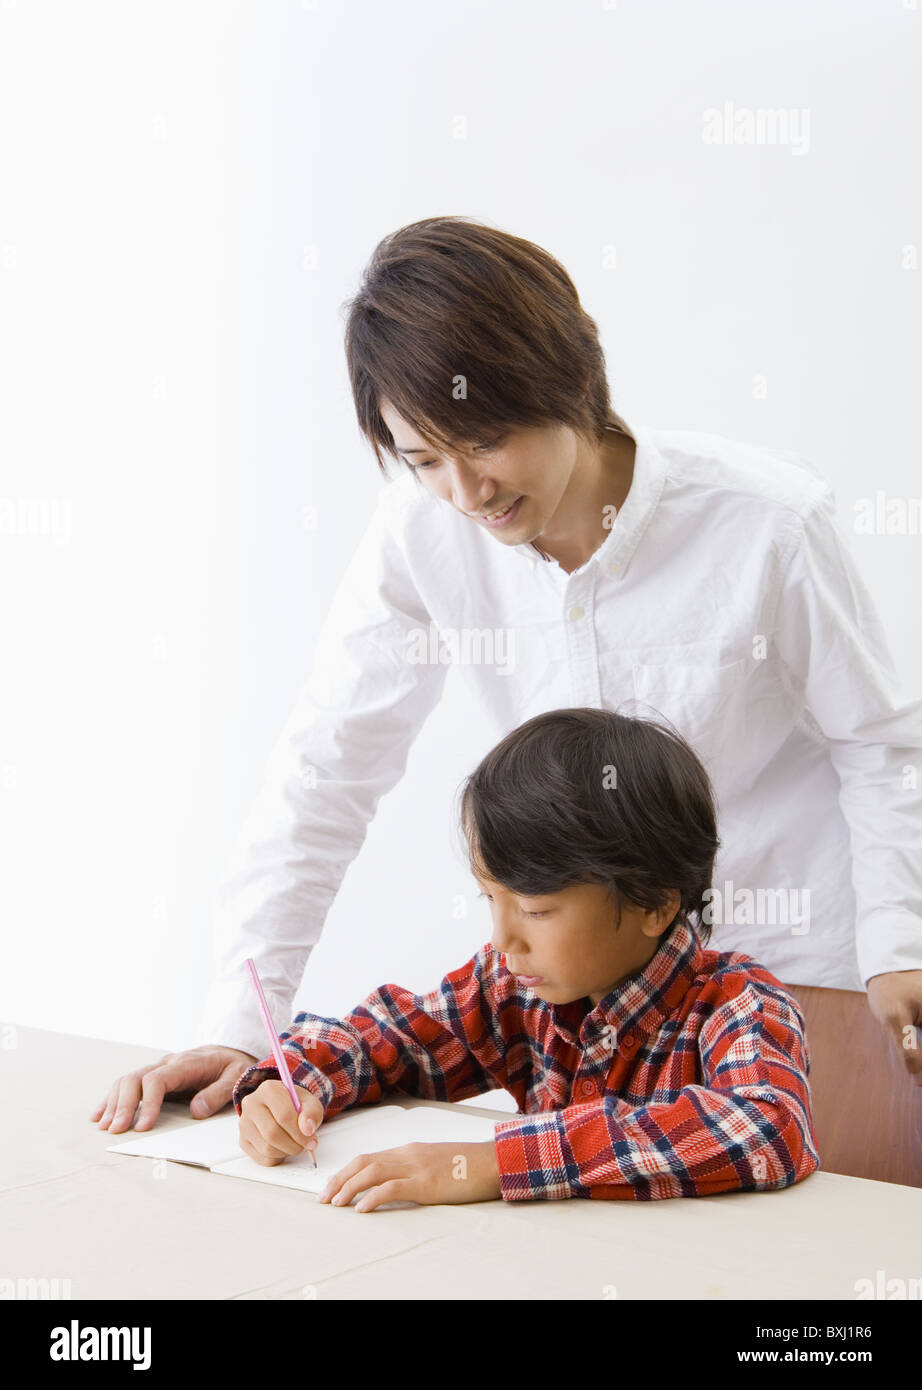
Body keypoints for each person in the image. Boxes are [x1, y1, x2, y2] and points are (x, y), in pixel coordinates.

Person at [92, 215, 922, 1136]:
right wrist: (244, 1029)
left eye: (484, 441)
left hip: (801, 969)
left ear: (574, 370)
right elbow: (326, 770)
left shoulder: (767, 522)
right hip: (581, 987)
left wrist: (899, 943)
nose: (465, 492)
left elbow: (879, 745)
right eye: (423, 460)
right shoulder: (421, 532)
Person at [232, 709, 819, 1208]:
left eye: (536, 910)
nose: (504, 938)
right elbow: (388, 1041)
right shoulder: (512, 985)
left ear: (655, 905)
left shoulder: (739, 1002)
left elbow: (765, 1129)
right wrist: (295, 1085)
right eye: (492, 899)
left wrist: (496, 1163)